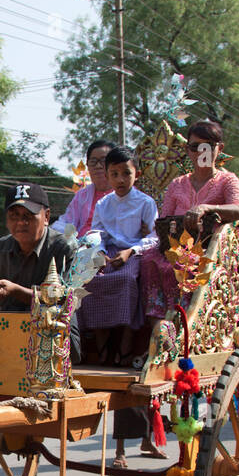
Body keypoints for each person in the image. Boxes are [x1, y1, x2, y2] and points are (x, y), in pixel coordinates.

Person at [138, 119, 239, 322]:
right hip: (176, 248)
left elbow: (238, 210)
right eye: (195, 147)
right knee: (149, 261)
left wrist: (207, 208)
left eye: (208, 146)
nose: (201, 152)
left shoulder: (227, 180)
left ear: (219, 149)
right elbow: (163, 220)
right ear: (188, 150)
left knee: (186, 266)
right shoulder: (177, 184)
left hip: (211, 250)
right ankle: (161, 329)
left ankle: (187, 323)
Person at [80, 145, 158, 364]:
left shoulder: (145, 202)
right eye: (114, 174)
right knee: (90, 282)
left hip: (134, 252)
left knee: (126, 280)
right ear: (107, 176)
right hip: (108, 253)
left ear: (137, 174)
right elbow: (96, 233)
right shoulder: (104, 204)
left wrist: (130, 251)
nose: (120, 179)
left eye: (126, 173)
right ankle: (102, 347)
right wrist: (101, 252)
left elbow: (154, 236)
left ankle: (125, 347)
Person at [0, 182, 72, 311]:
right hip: (8, 326)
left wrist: (16, 291)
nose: (21, 222)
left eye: (28, 215)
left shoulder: (64, 248)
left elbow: (63, 299)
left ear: (46, 217)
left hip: (54, 326)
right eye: (14, 216)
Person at [51, 140, 114, 238]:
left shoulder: (124, 193)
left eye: (103, 161)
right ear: (87, 166)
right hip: (81, 248)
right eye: (93, 162)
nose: (98, 166)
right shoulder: (82, 195)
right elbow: (66, 222)